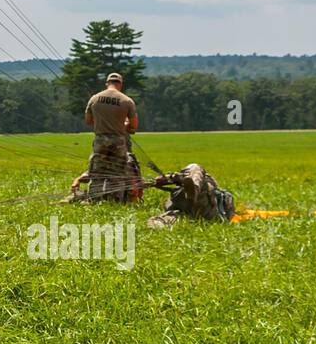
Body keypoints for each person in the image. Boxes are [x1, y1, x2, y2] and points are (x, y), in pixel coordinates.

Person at [82, 72, 138, 203]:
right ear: (120, 84)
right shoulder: (127, 101)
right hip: (118, 141)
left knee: (97, 173)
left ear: (107, 83)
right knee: (117, 173)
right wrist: (125, 126)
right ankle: (115, 201)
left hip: (100, 140)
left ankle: (94, 200)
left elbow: (88, 120)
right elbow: (134, 125)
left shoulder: (94, 98)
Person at [146, 163, 236, 228]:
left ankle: (194, 190)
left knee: (194, 166)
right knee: (179, 216)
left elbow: (198, 177)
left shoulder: (209, 185)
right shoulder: (222, 202)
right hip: (201, 214)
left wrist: (172, 177)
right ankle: (159, 224)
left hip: (198, 205)